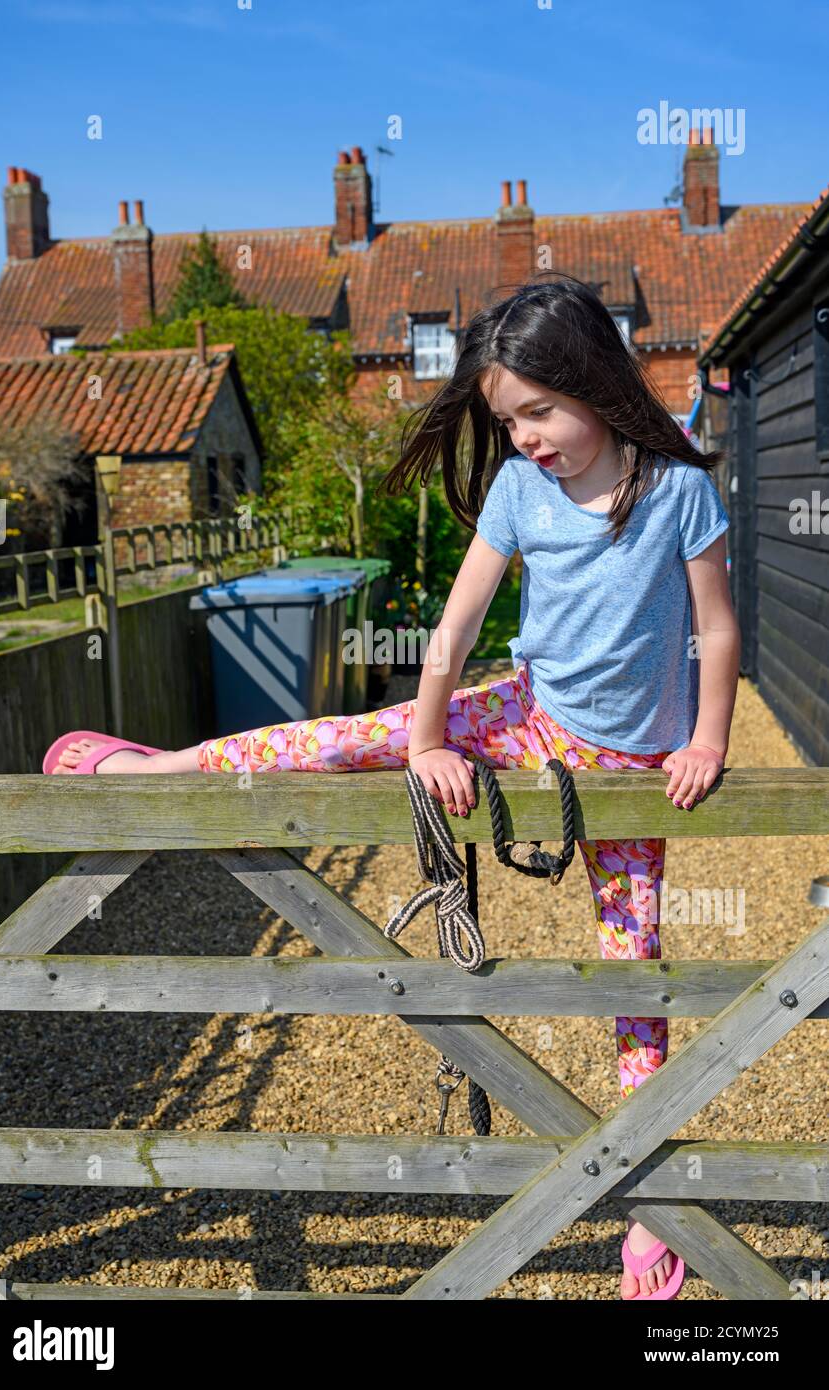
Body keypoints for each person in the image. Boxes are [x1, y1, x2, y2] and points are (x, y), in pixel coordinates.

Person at [44, 273, 739, 1300]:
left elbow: (717, 628)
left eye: (539, 413)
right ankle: (160, 765)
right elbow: (455, 628)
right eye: (507, 421)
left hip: (641, 761)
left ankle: (640, 1210)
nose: (525, 439)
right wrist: (424, 740)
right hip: (533, 716)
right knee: (342, 737)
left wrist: (708, 740)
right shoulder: (516, 491)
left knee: (634, 974)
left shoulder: (679, 488)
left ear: (593, 379)